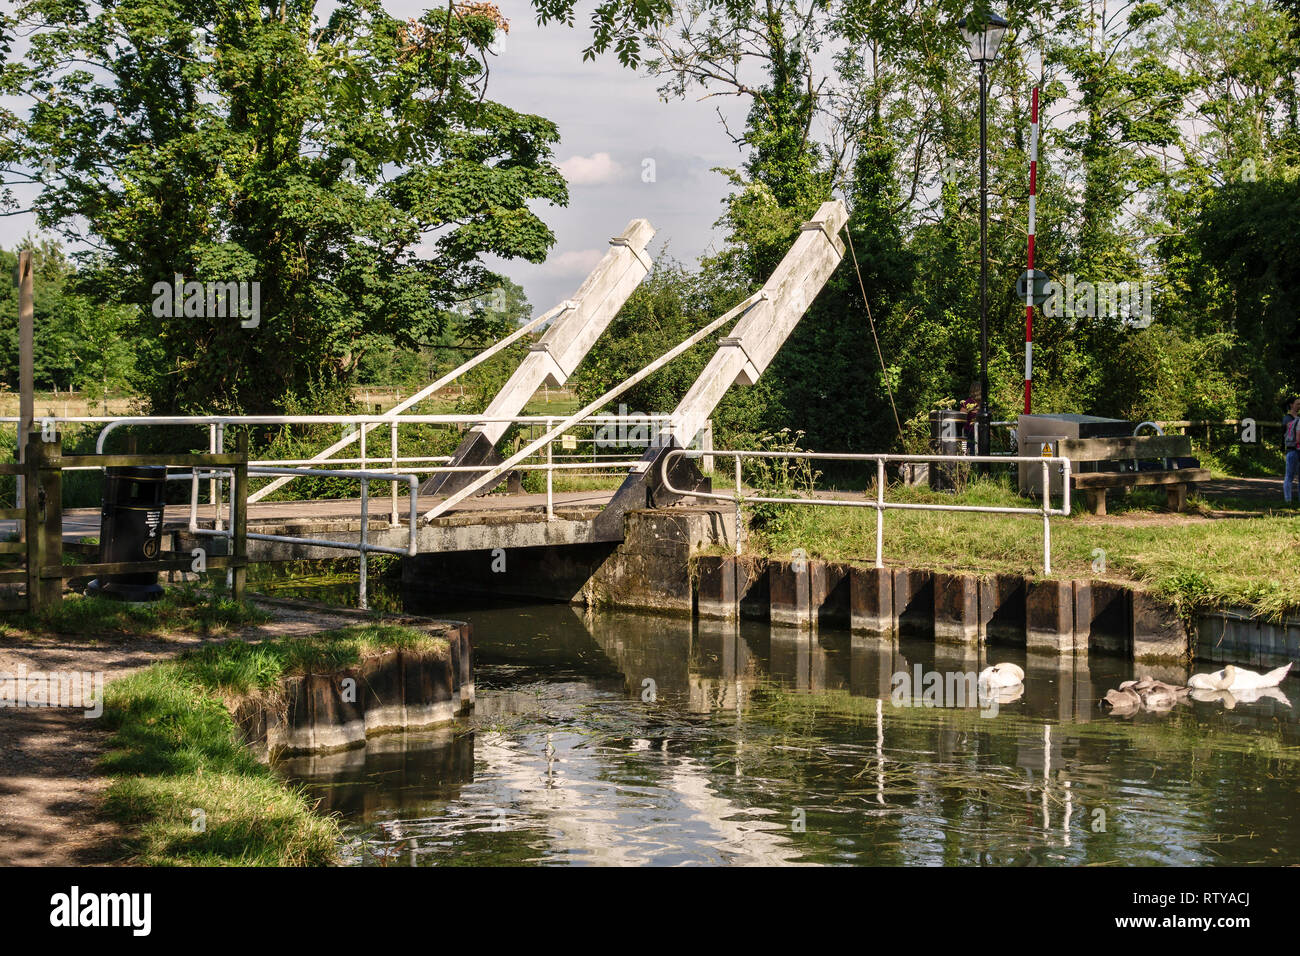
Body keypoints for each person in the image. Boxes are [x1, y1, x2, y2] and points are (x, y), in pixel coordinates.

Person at [1285, 397, 1300, 504]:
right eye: (1297, 404)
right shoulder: (1287, 418)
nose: (1299, 406)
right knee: (1290, 476)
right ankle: (1288, 500)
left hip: (1292, 449)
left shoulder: (1297, 419)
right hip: (1294, 449)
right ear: (1291, 405)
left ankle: (1288, 500)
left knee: (1289, 476)